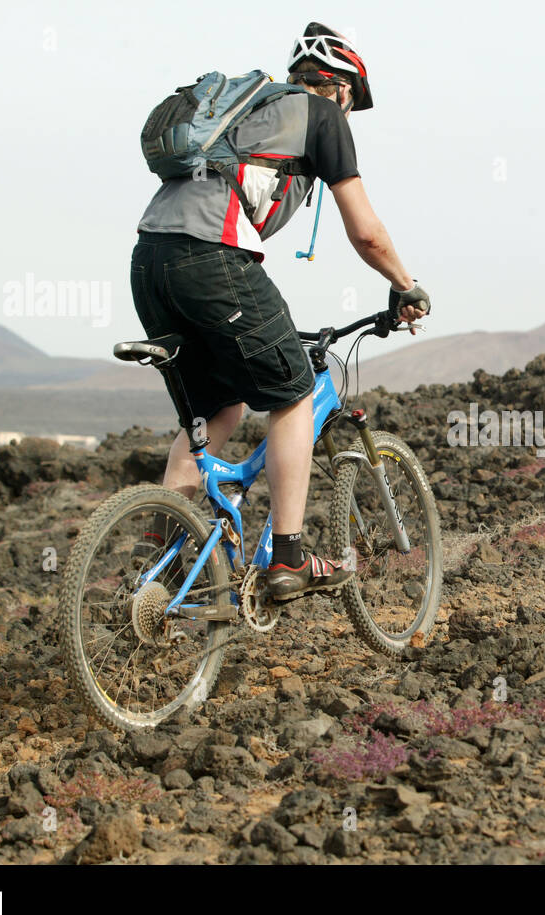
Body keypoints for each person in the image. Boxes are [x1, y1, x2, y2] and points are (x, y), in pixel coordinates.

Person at [129, 22, 430, 600]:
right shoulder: (322, 117)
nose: (350, 112)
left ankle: (159, 571)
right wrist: (405, 285)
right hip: (211, 258)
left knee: (215, 413)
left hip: (149, 260)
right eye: (352, 101)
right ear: (340, 87)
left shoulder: (246, 109)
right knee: (292, 393)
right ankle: (287, 559)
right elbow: (366, 233)